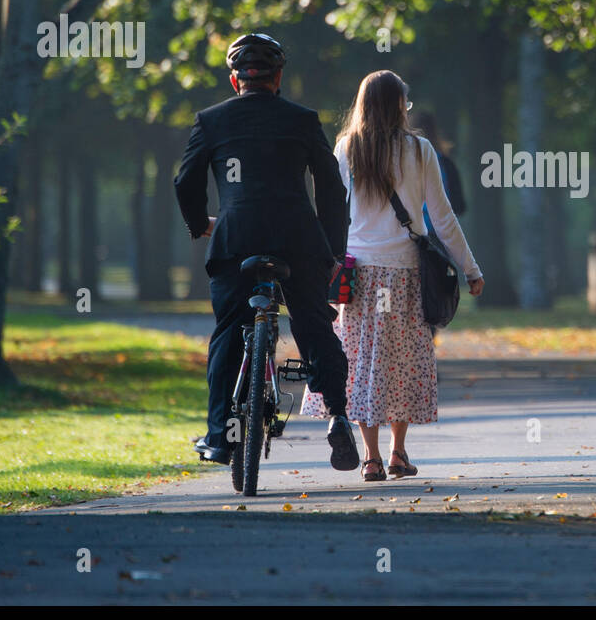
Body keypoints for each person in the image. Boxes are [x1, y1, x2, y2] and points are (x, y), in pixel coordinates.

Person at [173, 33, 359, 472]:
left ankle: (220, 435)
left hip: (236, 238)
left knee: (227, 331)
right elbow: (332, 188)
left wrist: (201, 225)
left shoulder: (211, 120)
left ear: (235, 81)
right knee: (313, 324)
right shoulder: (302, 119)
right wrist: (333, 248)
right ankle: (336, 412)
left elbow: (185, 182)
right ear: (278, 79)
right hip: (299, 237)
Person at [301, 70, 483, 481]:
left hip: (357, 275)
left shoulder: (347, 149)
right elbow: (443, 218)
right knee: (400, 362)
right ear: (399, 106)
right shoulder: (420, 151)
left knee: (361, 362)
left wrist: (321, 261)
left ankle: (371, 457)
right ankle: (398, 452)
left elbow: (330, 211)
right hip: (405, 275)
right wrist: (469, 268)